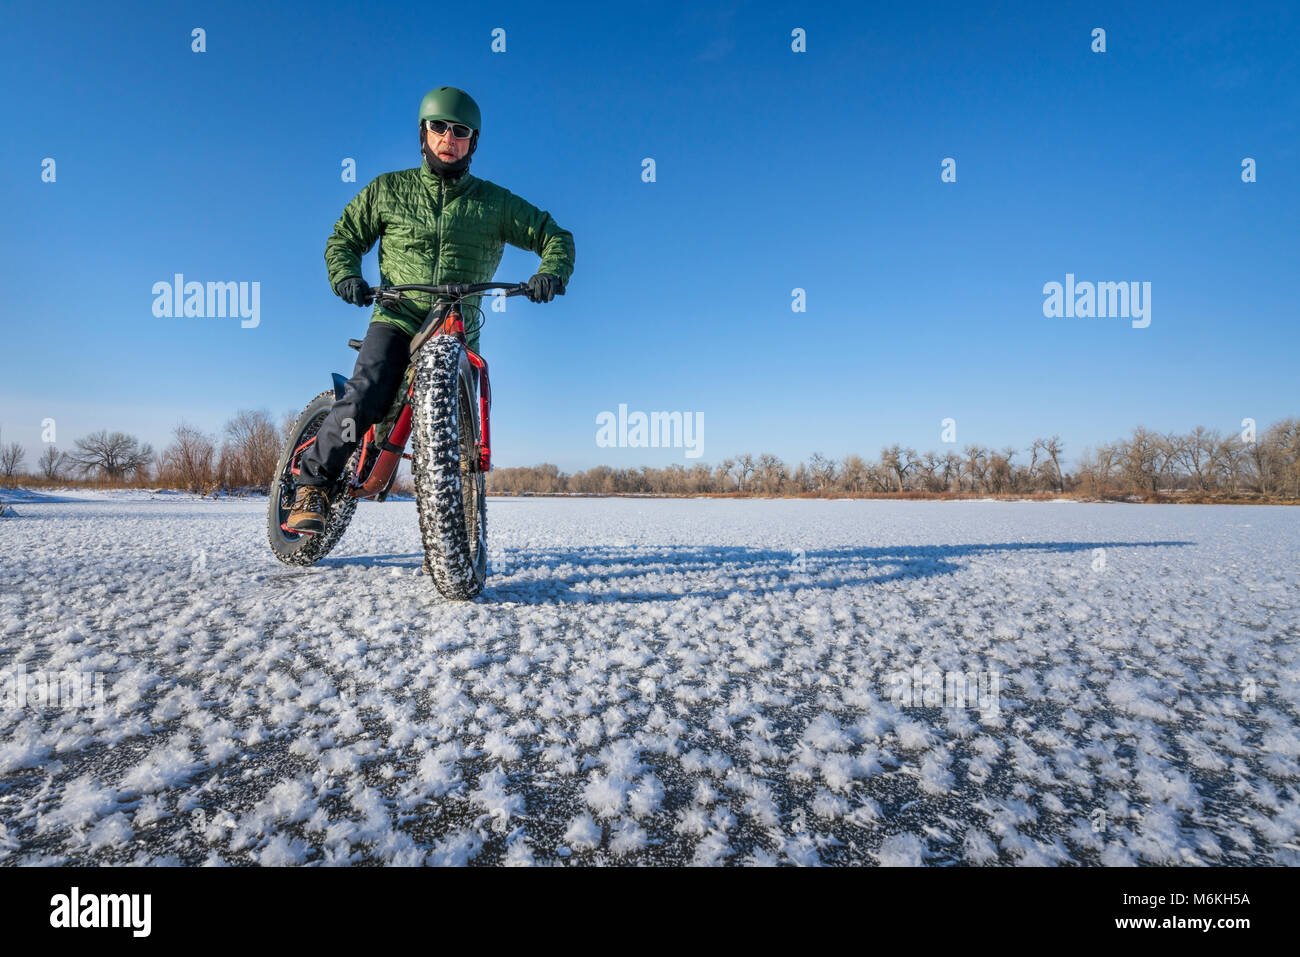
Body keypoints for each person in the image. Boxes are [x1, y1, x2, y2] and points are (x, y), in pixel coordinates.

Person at [288, 86, 575, 533]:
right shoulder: (389, 189)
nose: (448, 137)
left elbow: (555, 236)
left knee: (466, 414)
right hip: (397, 315)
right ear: (424, 133)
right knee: (368, 392)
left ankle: (453, 529)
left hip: (457, 325)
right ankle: (313, 485)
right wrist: (347, 275)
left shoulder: (494, 203)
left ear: (472, 142)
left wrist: (551, 273)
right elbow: (343, 238)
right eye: (438, 127)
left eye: (460, 131)